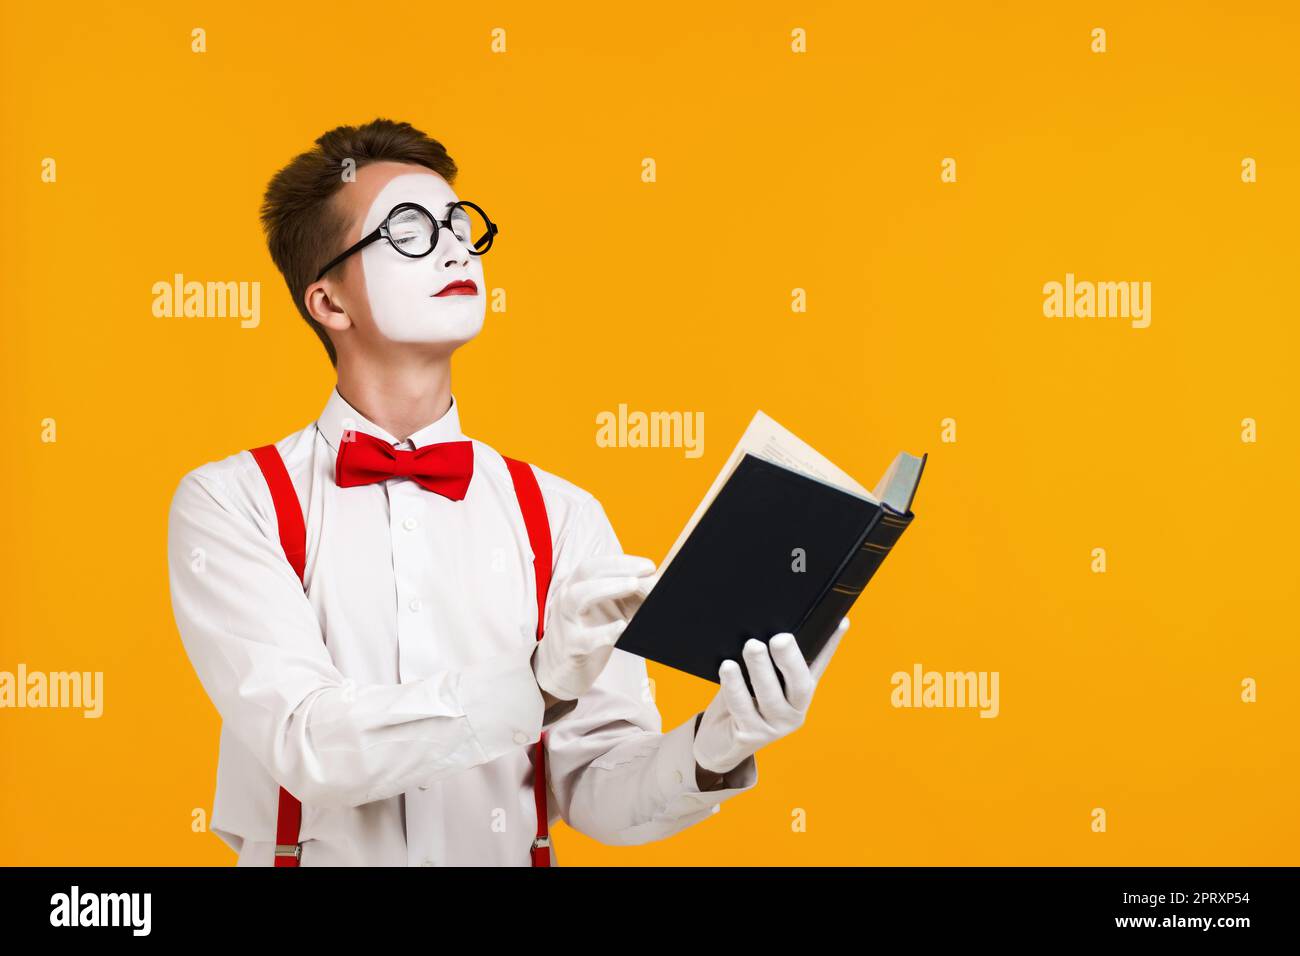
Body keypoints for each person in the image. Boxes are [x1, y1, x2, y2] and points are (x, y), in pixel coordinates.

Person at [166, 118, 851, 866]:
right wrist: (535, 682)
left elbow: (595, 790)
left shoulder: (561, 515)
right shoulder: (233, 503)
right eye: (409, 231)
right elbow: (308, 741)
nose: (457, 246)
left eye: (459, 224)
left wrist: (719, 742)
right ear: (329, 304)